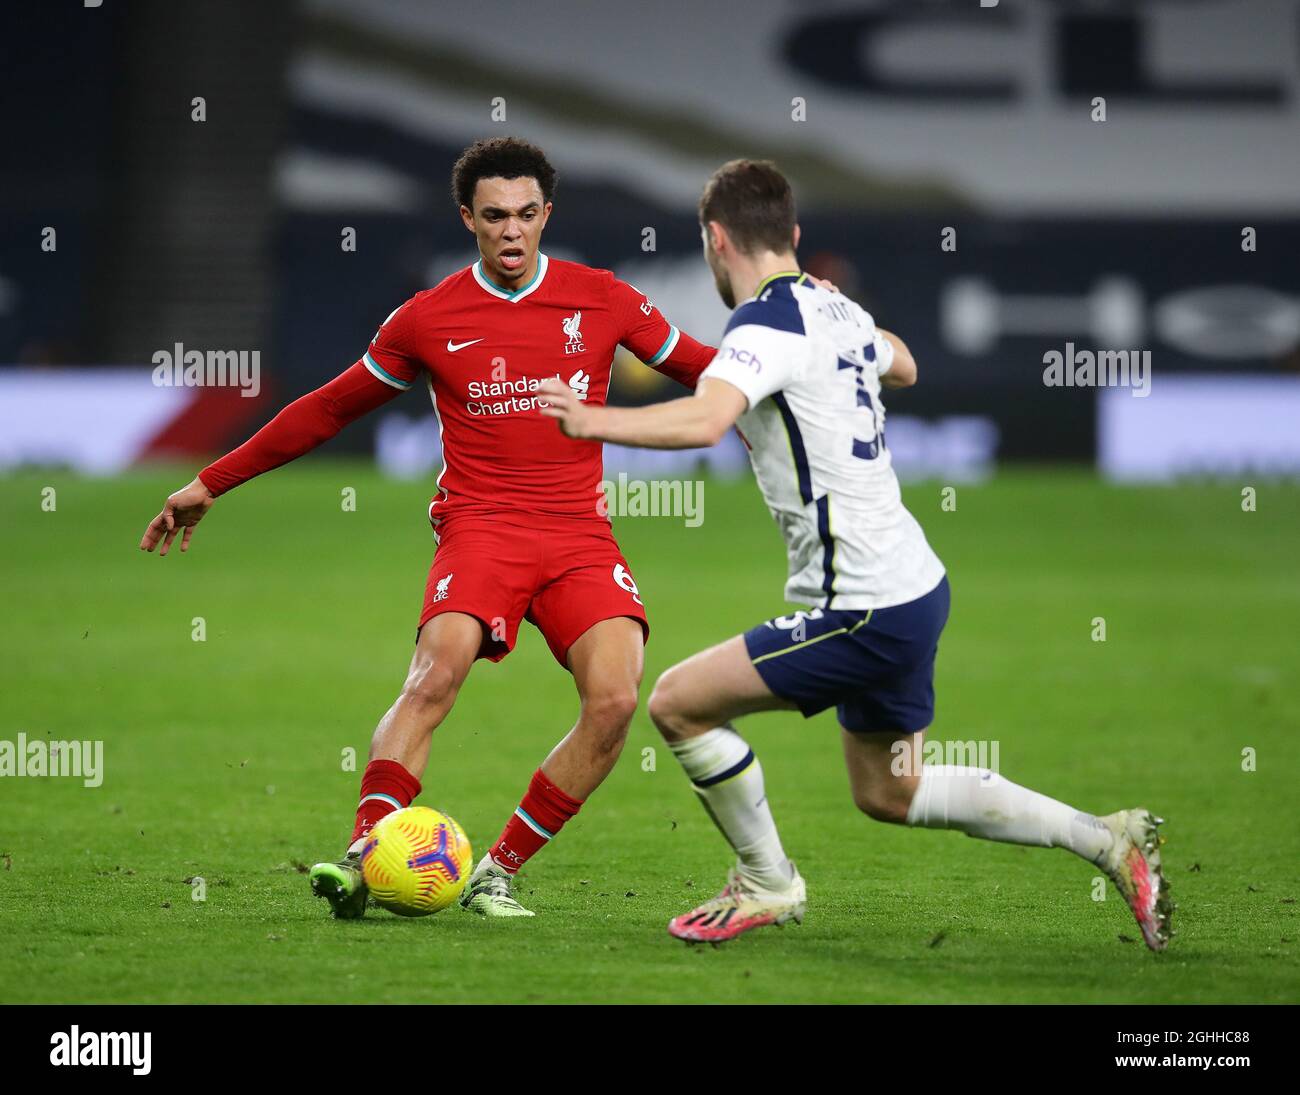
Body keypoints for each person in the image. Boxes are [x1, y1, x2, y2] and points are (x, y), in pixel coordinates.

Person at [538, 158, 1173, 950]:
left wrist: (591, 421)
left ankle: (767, 882)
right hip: (915, 584)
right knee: (889, 788)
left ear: (715, 239)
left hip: (862, 604)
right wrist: (853, 332)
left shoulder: (765, 323)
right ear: (794, 236)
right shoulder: (830, 310)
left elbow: (705, 421)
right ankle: (1108, 839)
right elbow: (905, 361)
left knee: (676, 700)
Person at [139, 137, 715, 919]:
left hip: (579, 534)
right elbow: (331, 407)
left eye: (525, 215)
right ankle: (366, 850)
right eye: (493, 217)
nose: (511, 232)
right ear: (467, 219)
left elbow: (708, 371)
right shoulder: (429, 318)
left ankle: (497, 870)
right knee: (436, 673)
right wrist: (212, 479)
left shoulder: (604, 298)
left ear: (547, 214)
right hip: (481, 527)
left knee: (615, 699)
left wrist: (802, 366)